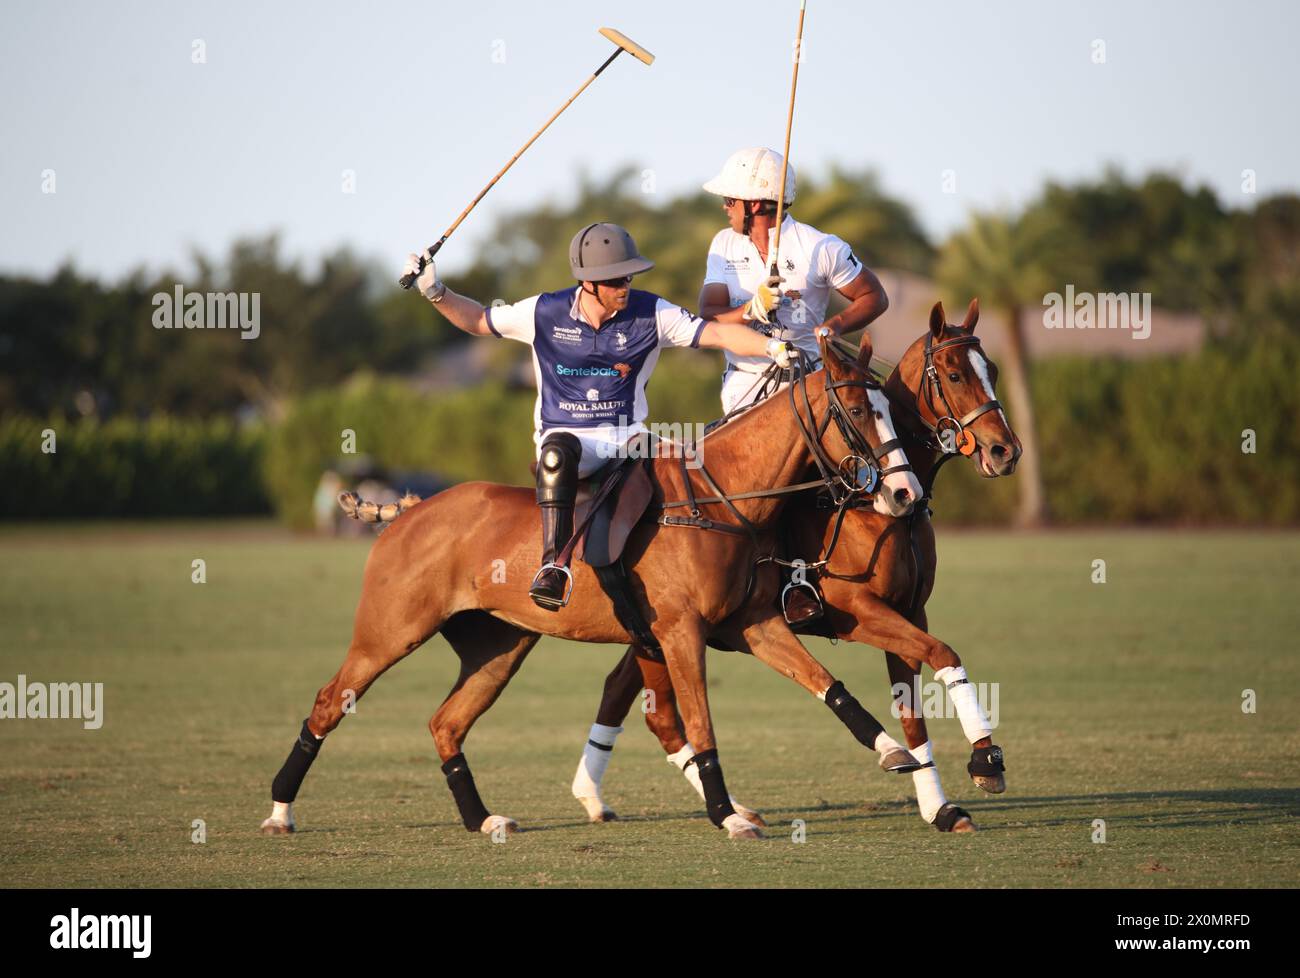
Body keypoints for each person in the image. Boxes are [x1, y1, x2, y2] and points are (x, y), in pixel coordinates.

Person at [402, 222, 795, 610]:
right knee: (557, 453)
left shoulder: (651, 312)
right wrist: (436, 291)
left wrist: (771, 347)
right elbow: (477, 321)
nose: (624, 288)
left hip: (629, 437)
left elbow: (719, 334)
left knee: (691, 462)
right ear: (587, 283)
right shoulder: (543, 311)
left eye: (628, 278)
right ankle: (553, 567)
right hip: (566, 436)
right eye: (614, 281)